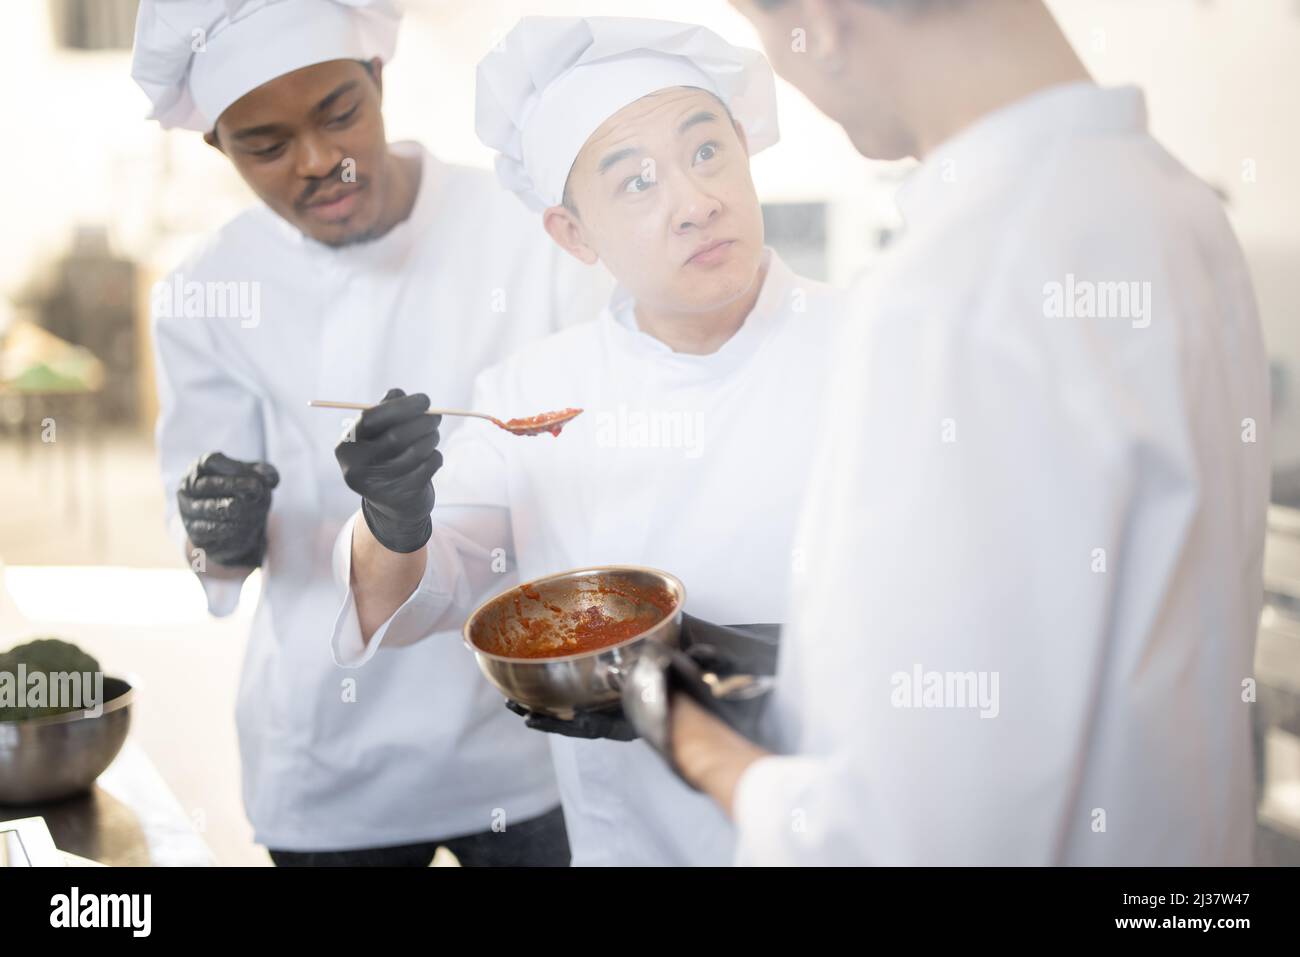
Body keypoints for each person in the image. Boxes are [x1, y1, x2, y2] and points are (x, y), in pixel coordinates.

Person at [654, 0, 1271, 865]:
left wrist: (692, 735)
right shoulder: (1173, 202)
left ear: (823, 20)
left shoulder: (949, 296)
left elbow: (900, 842)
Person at [327, 16, 841, 866]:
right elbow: (412, 599)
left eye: (707, 153)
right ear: (575, 235)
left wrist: (760, 662)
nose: (694, 202)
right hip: (633, 840)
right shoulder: (532, 393)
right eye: (637, 182)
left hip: (844, 826)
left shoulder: (875, 350)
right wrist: (392, 518)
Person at [133, 0, 606, 866]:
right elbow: (214, 558)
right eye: (266, 146)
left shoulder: (522, 230)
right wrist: (216, 532)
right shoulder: (207, 292)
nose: (319, 161)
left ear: (379, 80)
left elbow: (593, 448)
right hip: (330, 746)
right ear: (217, 148)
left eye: (340, 114)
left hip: (520, 727)